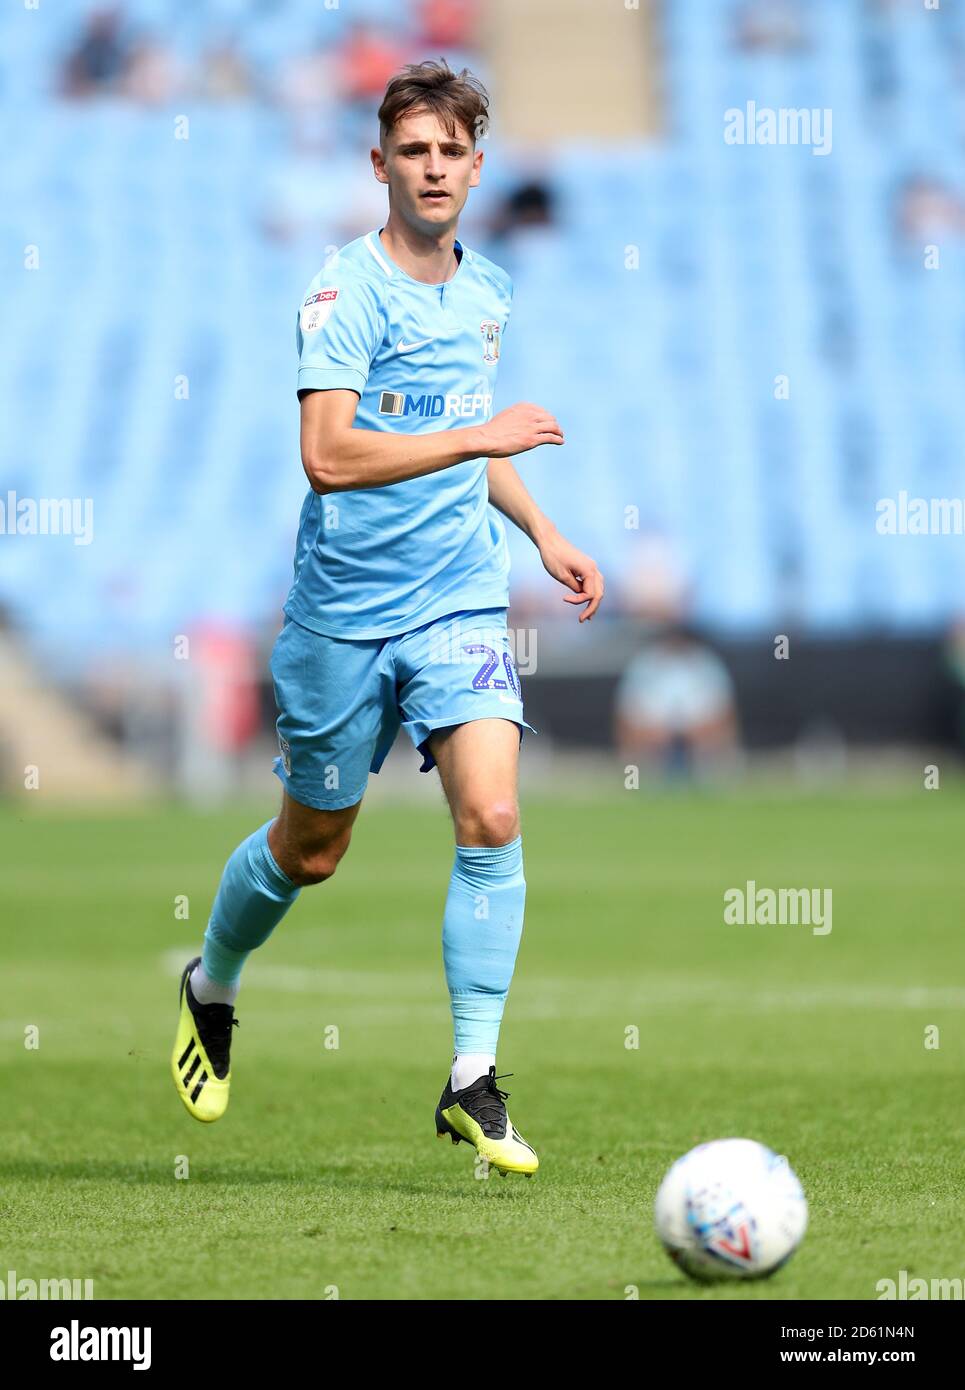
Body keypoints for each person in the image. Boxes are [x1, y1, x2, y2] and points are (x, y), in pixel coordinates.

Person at [171, 60, 604, 1177]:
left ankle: (471, 1078)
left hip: (457, 598)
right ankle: (211, 979)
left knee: (494, 817)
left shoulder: (489, 289)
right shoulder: (341, 291)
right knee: (311, 853)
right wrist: (476, 441)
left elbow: (473, 440)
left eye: (449, 151)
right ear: (379, 164)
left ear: (474, 163)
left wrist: (540, 530)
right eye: (410, 151)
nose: (431, 168)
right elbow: (328, 457)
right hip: (341, 617)